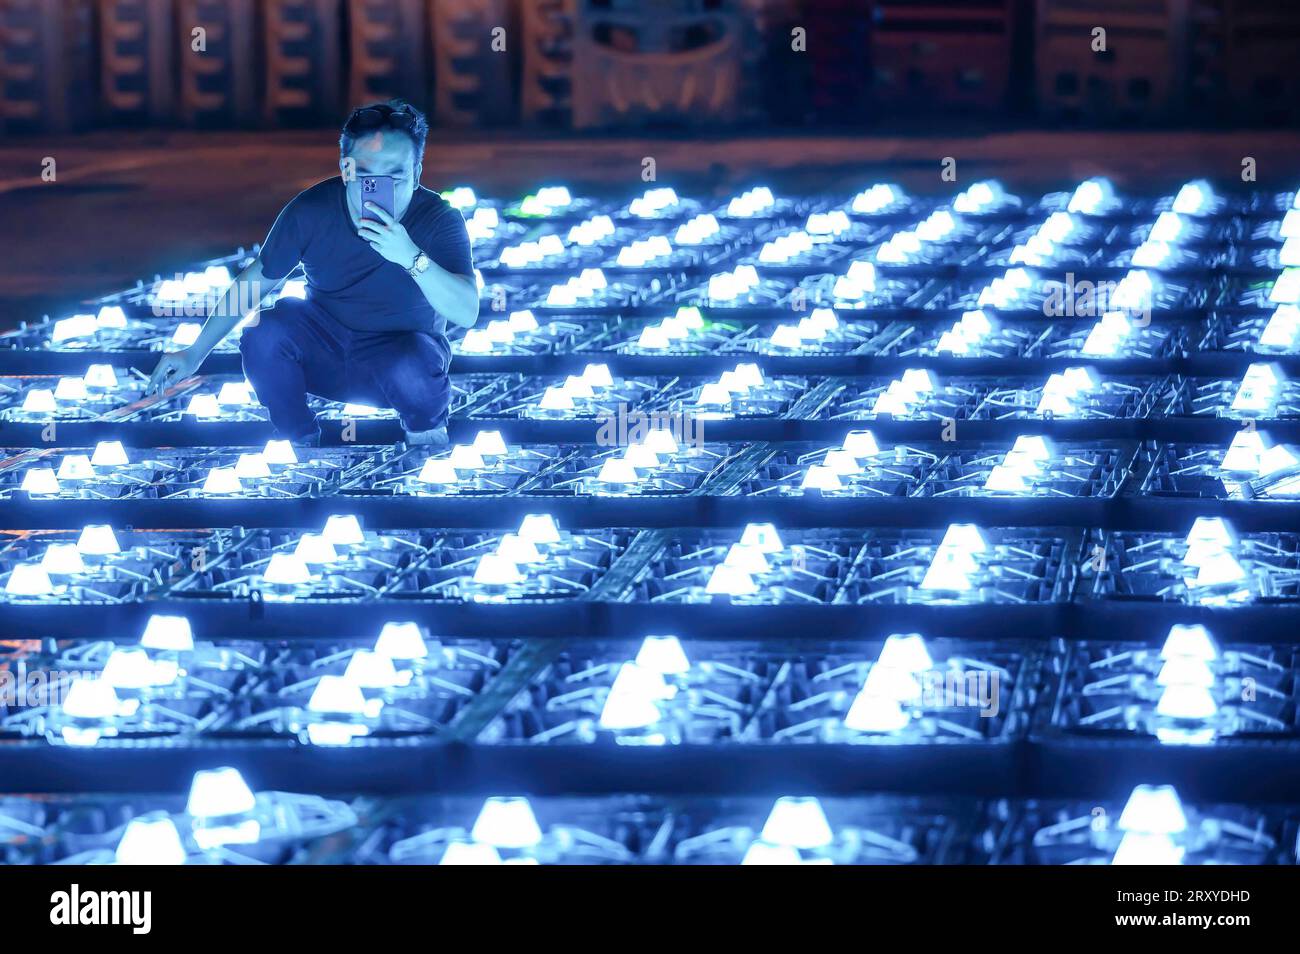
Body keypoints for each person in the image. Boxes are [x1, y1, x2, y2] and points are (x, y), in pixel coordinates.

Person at [146, 99, 479, 446]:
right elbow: (255, 282)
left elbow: (466, 312)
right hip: (325, 352)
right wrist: (196, 351)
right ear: (345, 169)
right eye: (365, 175)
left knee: (413, 364)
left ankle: (426, 441)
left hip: (399, 361)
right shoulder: (312, 210)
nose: (380, 187)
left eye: (395, 175)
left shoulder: (439, 219)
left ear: (417, 173)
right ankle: (299, 442)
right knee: (265, 333)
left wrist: (410, 256)